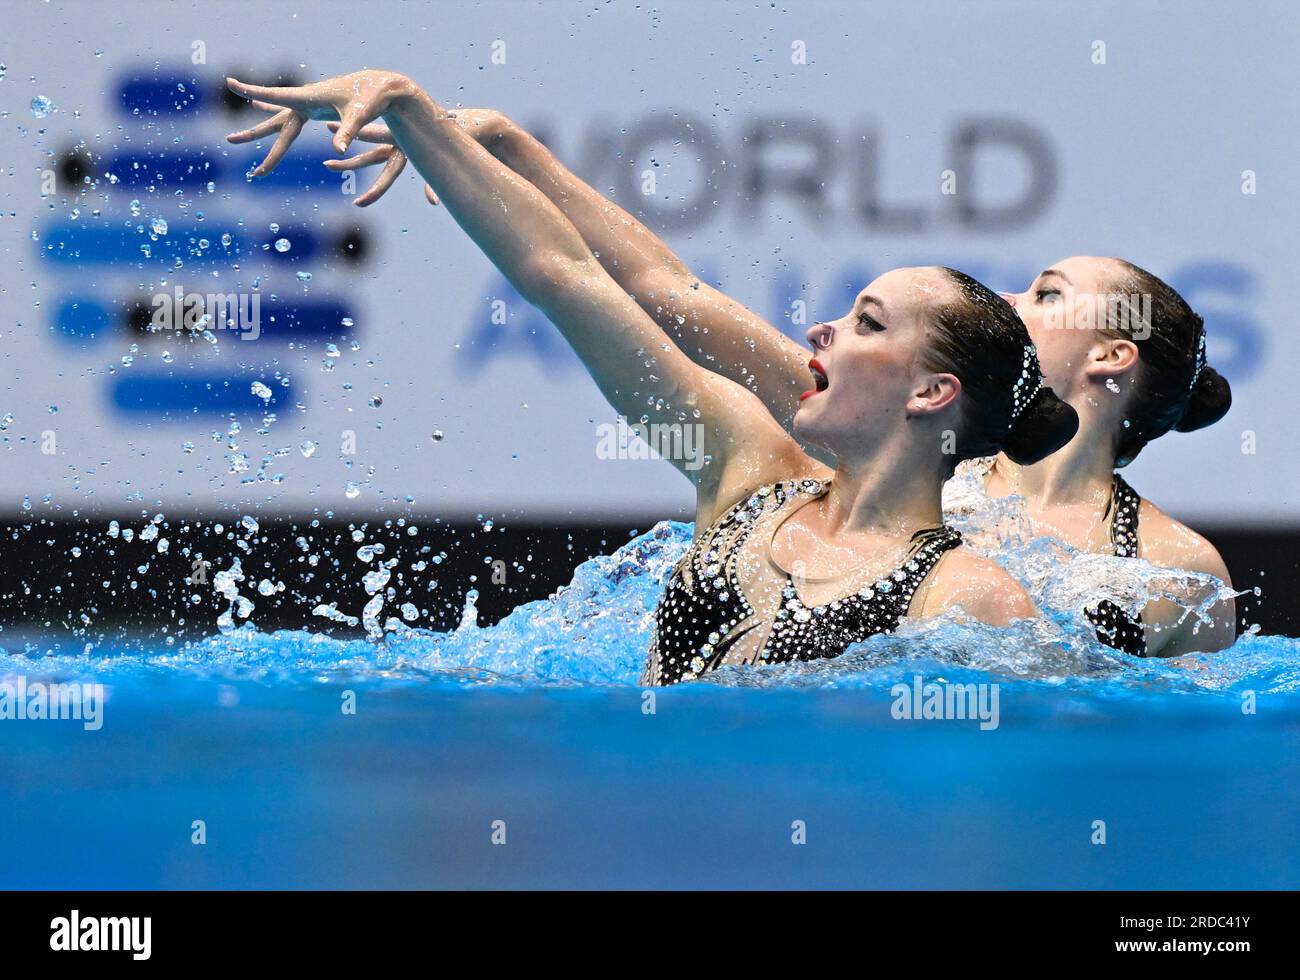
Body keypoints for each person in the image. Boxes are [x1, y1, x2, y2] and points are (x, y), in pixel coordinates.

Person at [269, 109, 1238, 658]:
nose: (1017, 293)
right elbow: (654, 289)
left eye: (1048, 291)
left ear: (1112, 357)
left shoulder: (1144, 567)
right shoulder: (801, 449)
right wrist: (507, 149)